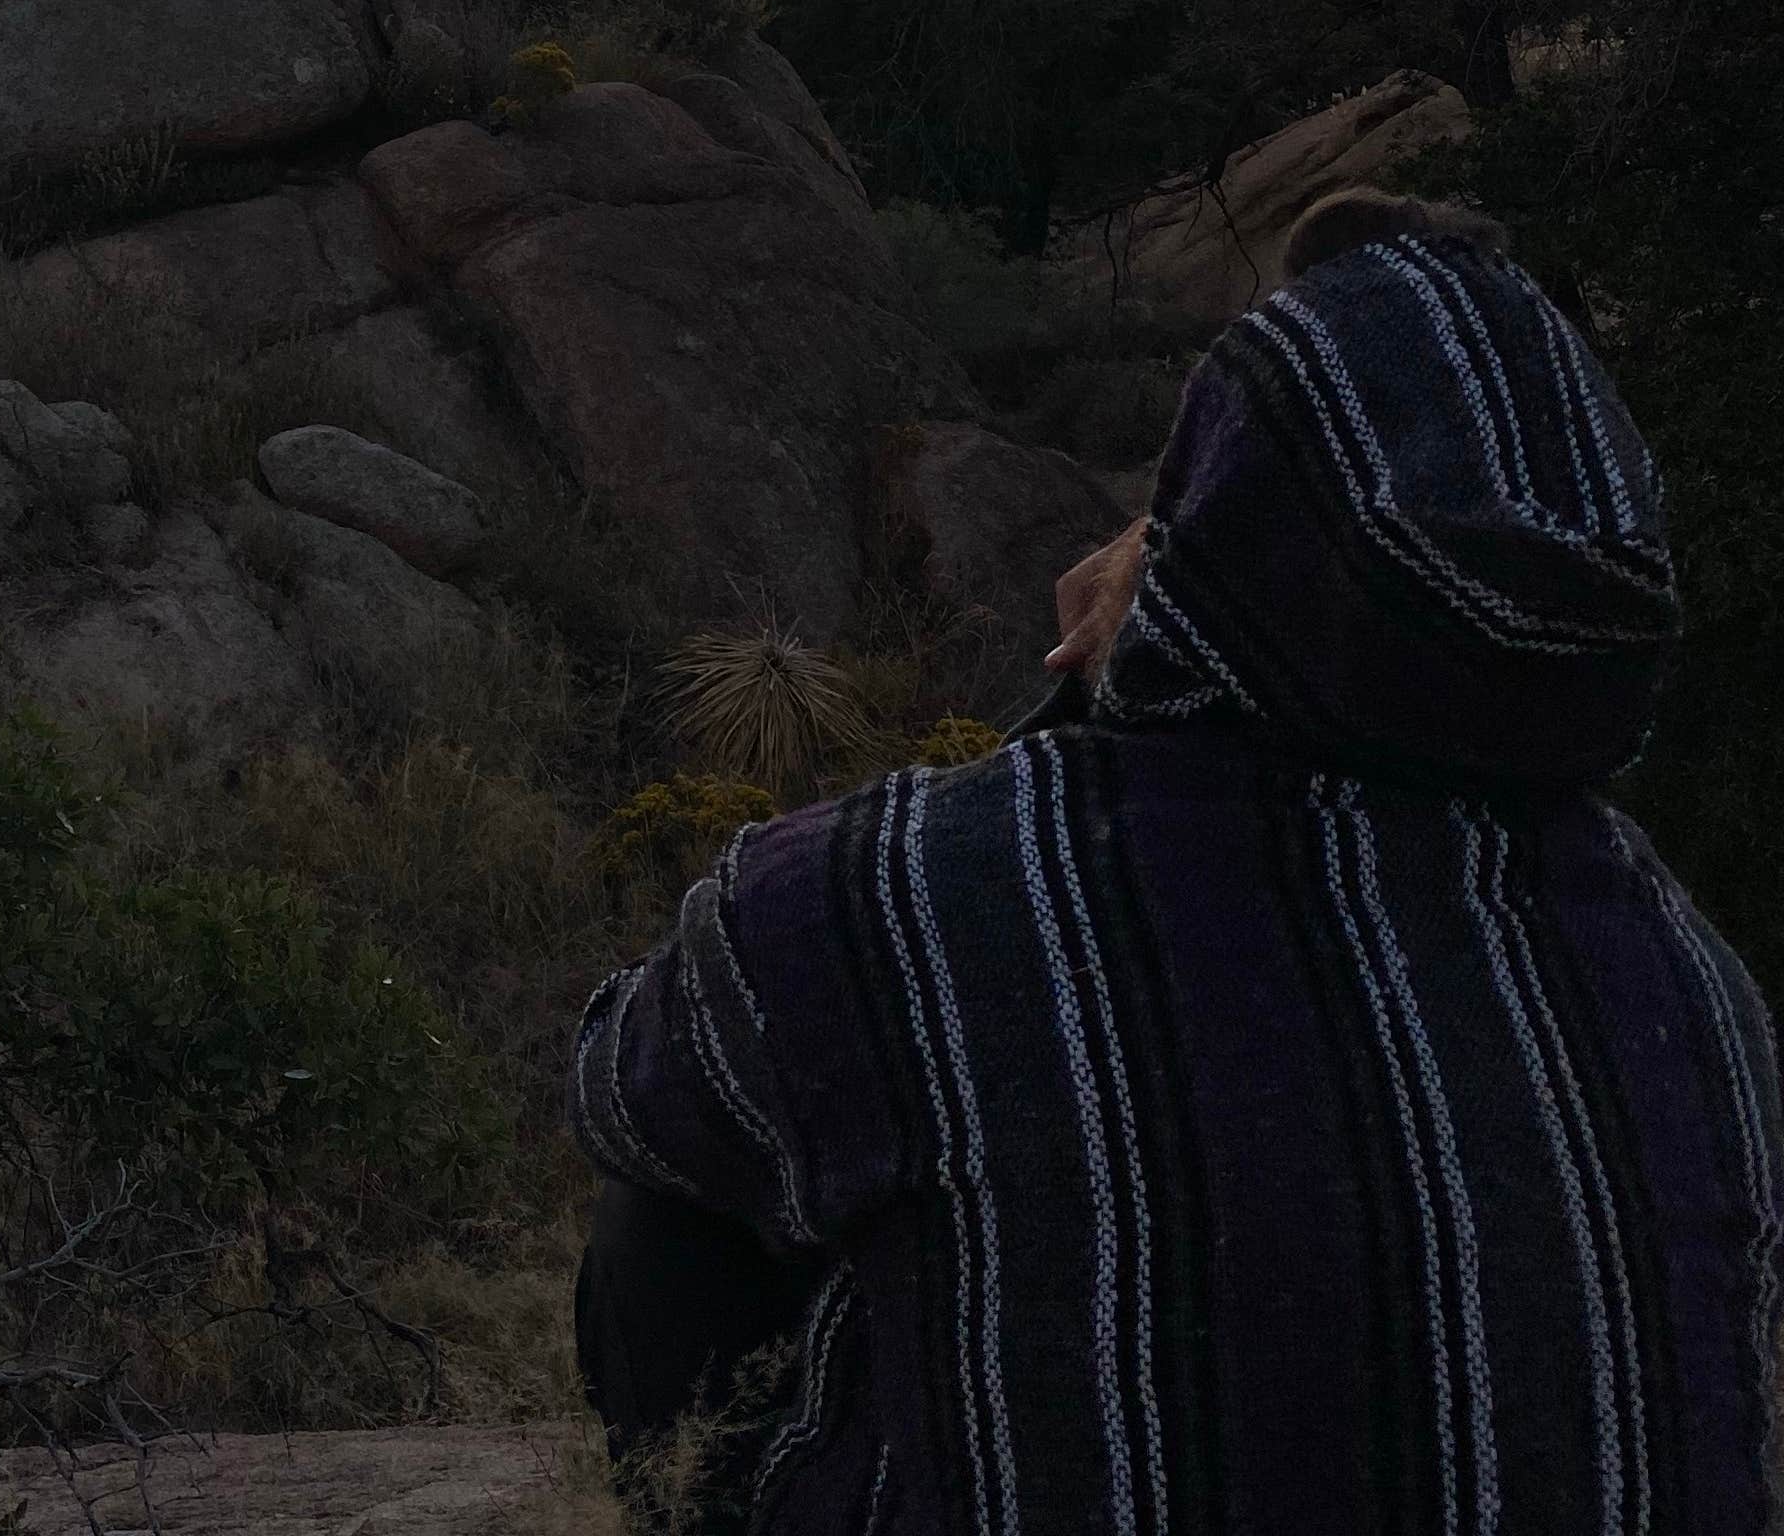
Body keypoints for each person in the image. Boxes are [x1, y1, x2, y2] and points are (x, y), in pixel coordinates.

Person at [572, 192, 1783, 1533]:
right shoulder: (1693, 984)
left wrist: (1127, 680)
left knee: (667, 1221)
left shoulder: (905, 902)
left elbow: (629, 1081)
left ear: (1222, 510)